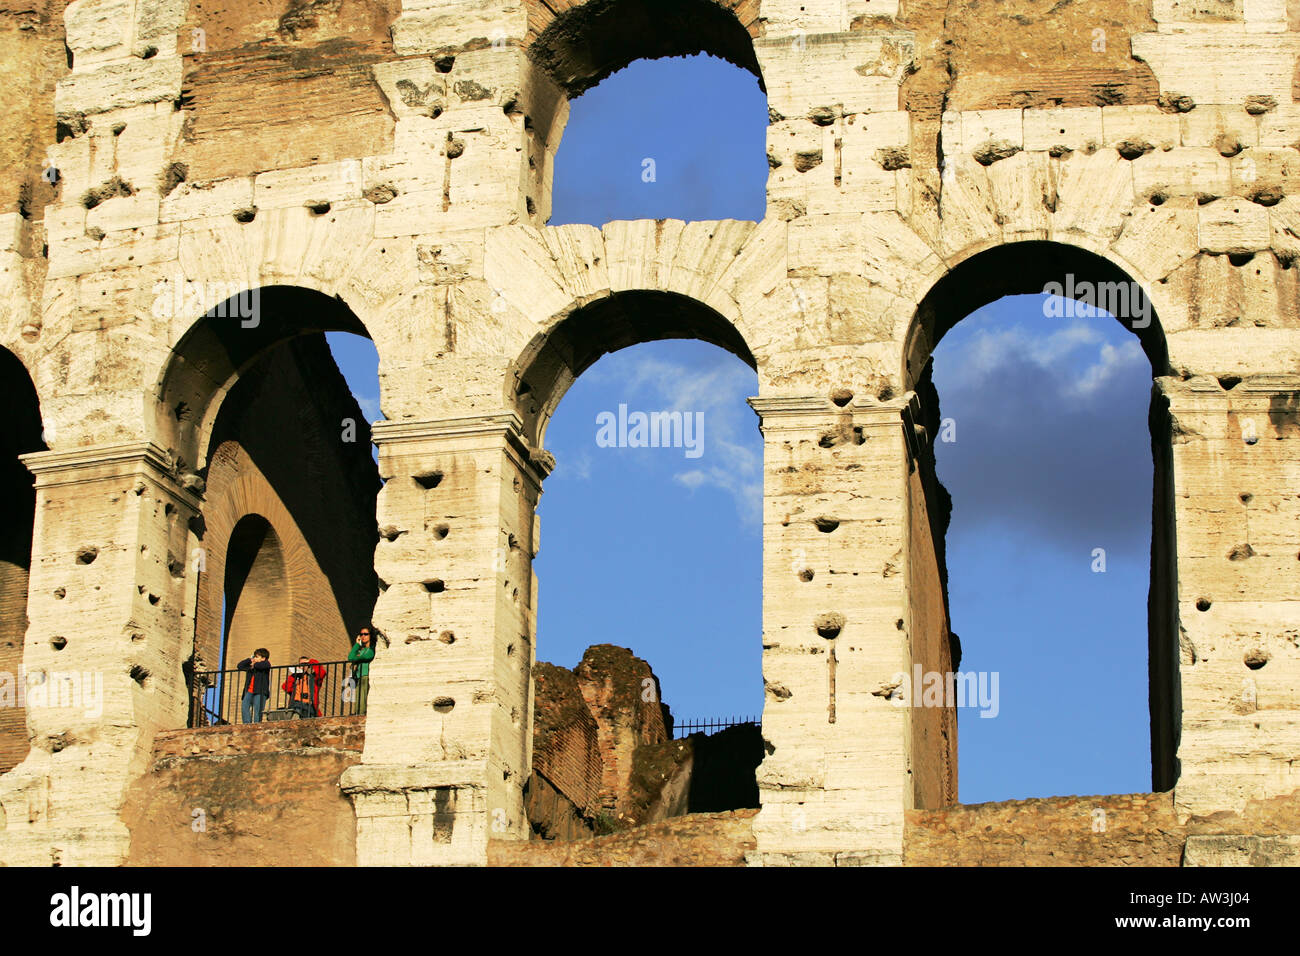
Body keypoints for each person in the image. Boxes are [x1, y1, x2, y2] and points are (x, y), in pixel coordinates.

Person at [347, 626, 377, 715]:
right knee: (358, 697)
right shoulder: (360, 650)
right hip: (359, 677)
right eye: (361, 634)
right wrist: (357, 644)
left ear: (370, 636)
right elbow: (350, 657)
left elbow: (368, 656)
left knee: (363, 698)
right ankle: (358, 713)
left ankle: (362, 714)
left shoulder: (371, 648)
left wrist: (357, 658)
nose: (363, 636)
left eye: (366, 634)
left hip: (366, 676)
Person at [237, 648, 271, 723]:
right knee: (244, 706)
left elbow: (264, 665)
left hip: (260, 691)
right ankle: (247, 724)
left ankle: (257, 725)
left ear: (263, 658)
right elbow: (240, 666)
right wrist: (250, 660)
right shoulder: (252, 666)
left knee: (257, 710)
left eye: (257, 657)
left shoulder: (266, 664)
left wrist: (254, 664)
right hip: (249, 691)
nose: (255, 658)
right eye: (254, 656)